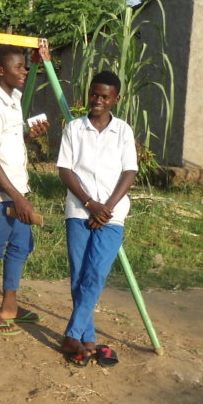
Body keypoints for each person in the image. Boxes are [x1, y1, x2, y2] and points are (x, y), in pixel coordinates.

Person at [57, 70, 138, 366]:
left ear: (116, 99)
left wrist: (106, 208)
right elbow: (65, 169)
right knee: (80, 276)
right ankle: (87, 340)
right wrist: (91, 204)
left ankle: (72, 334)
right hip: (79, 211)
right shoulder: (74, 128)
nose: (98, 101)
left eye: (105, 96)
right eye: (95, 95)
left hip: (112, 215)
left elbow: (129, 172)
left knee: (97, 273)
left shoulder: (123, 131)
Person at [0, 44, 50, 335]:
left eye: (25, 67)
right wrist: (16, 197)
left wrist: (29, 136)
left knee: (20, 247)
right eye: (18, 67)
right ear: (1, 71)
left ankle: (9, 306)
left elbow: (8, 144)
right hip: (1, 194)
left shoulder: (13, 98)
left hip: (17, 190)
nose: (25, 72)